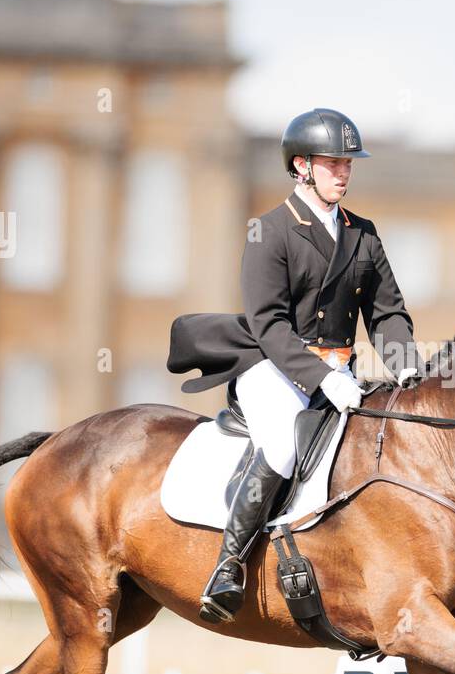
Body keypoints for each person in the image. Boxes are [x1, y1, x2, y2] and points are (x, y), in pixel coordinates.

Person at [166, 108, 418, 624]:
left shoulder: (363, 235)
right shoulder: (270, 231)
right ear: (301, 165)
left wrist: (405, 366)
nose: (343, 172)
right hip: (275, 365)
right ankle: (229, 566)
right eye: (332, 163)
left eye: (348, 163)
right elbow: (269, 322)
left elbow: (387, 311)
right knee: (282, 444)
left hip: (341, 373)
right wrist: (323, 377)